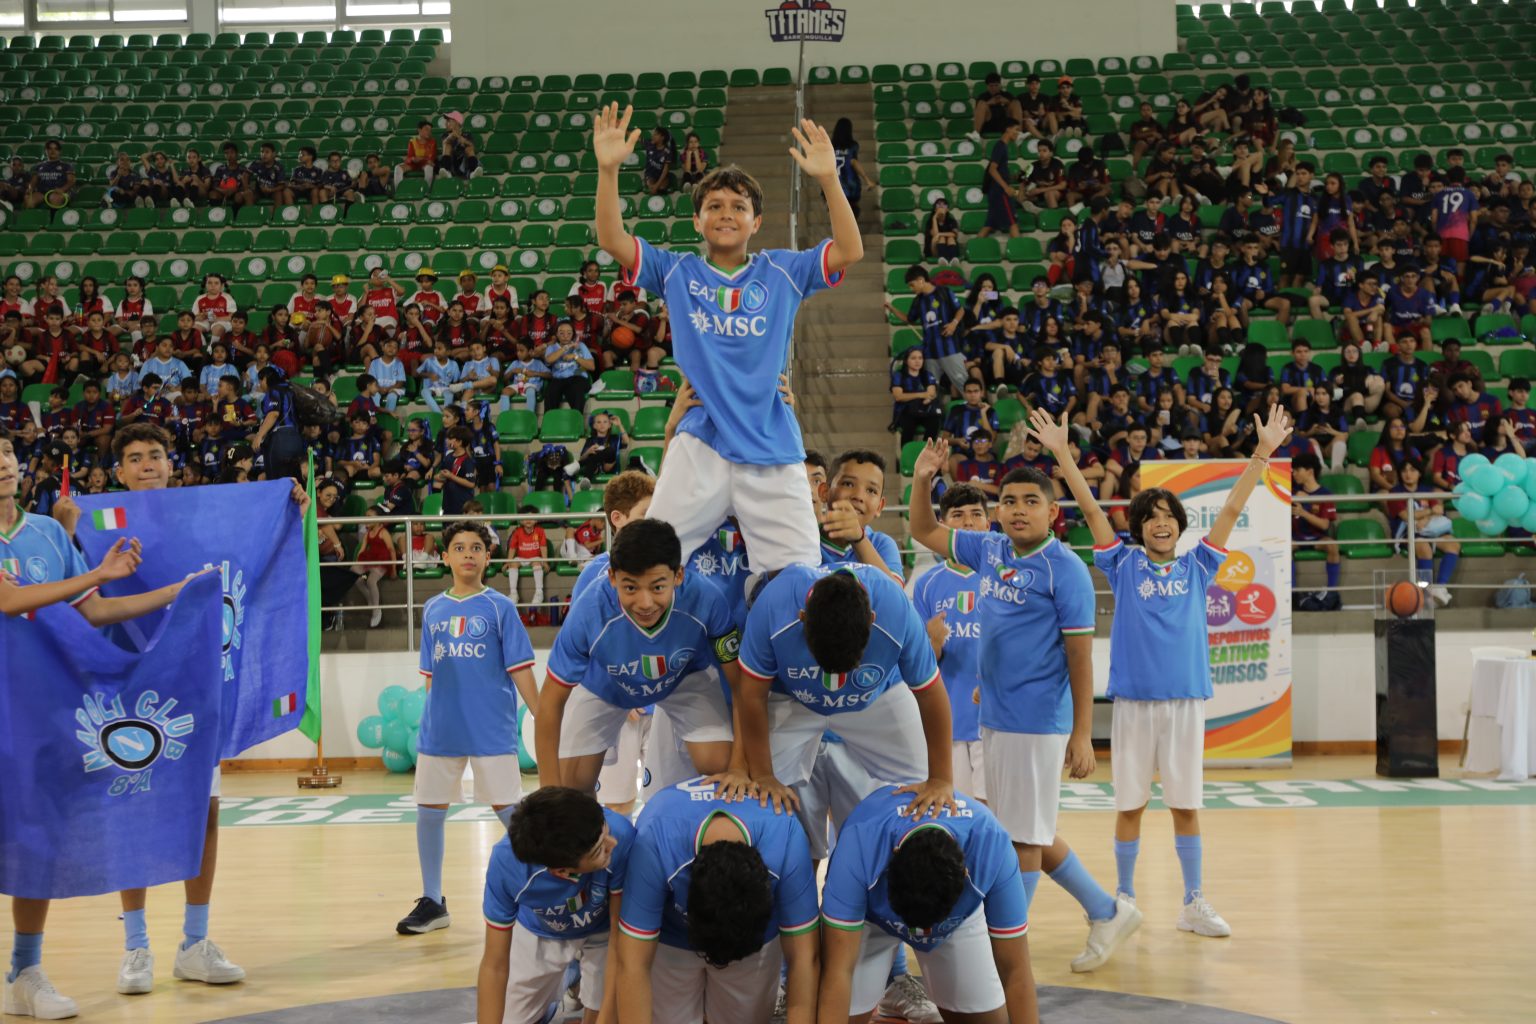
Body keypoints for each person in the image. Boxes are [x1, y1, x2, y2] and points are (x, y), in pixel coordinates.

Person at [1037, 403, 1290, 939]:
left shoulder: (1199, 565)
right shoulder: (1122, 563)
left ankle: (1193, 901)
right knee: (1130, 805)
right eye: (1151, 516)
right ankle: (1124, 898)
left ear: (1178, 524)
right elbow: (1092, 511)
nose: (1160, 522)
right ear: (1139, 526)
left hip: (1185, 703)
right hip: (1133, 703)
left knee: (1185, 805)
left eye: (1168, 515)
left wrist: (1263, 453)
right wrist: (1062, 454)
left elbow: (1230, 509)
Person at [596, 104, 861, 575]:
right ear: (697, 221)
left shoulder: (783, 270)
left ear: (756, 223)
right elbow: (613, 239)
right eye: (714, 206)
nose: (726, 213)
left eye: (739, 207)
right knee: (648, 560)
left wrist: (828, 178)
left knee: (799, 576)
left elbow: (849, 249)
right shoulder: (677, 270)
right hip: (701, 442)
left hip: (770, 443)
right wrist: (608, 170)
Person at [907, 440, 1140, 973]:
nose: (1017, 510)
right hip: (995, 715)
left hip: (1035, 722)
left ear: (1053, 512)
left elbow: (1080, 659)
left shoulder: (1066, 570)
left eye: (1031, 501)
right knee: (1023, 827)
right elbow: (922, 529)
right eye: (1009, 501)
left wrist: (1082, 734)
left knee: (1022, 840)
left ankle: (1003, 952)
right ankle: (1106, 911)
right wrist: (922, 479)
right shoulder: (990, 550)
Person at [0, 427, 208, 1020]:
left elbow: (91, 612)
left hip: (42, 706)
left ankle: (24, 971)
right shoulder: (55, 531)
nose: (3, 463)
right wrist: (97, 573)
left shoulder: (46, 532)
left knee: (35, 835)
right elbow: (10, 601)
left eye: (7, 452)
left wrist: (178, 592)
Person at [397, 519, 538, 937]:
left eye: (476, 547)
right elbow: (430, 676)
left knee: (511, 811)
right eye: (459, 548)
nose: (468, 554)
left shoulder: (500, 608)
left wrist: (544, 717)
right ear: (445, 557)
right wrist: (432, 718)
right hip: (440, 730)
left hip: (491, 728)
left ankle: (540, 887)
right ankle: (432, 900)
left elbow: (521, 669)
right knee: (429, 810)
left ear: (488, 557)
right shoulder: (433, 609)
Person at [535, 519, 740, 795]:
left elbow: (742, 685)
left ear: (678, 575)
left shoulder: (707, 599)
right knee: (570, 784)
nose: (645, 603)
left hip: (684, 677)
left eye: (657, 587)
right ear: (612, 577)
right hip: (606, 683)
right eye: (630, 588)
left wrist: (741, 766)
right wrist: (548, 793)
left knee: (721, 765)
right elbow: (550, 702)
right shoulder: (588, 611)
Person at [818, 786, 1038, 1024]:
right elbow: (838, 971)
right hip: (872, 917)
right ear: (892, 859)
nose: (921, 933)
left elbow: (1016, 971)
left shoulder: (992, 845)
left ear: (965, 873)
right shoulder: (858, 845)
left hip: (954, 922)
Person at [612, 777, 819, 1024]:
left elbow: (804, 958)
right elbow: (632, 964)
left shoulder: (786, 835)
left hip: (752, 941)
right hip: (672, 936)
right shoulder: (655, 839)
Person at [477, 787, 631, 1024]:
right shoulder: (507, 865)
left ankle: (579, 980)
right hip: (542, 929)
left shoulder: (620, 833)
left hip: (603, 931)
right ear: (561, 871)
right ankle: (568, 978)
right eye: (599, 850)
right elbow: (494, 964)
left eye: (605, 831)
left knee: (610, 1006)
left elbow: (620, 941)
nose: (612, 842)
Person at [912, 484, 991, 804]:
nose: (968, 522)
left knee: (996, 812)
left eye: (976, 514)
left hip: (996, 717)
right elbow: (920, 665)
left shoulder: (1003, 576)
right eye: (958, 515)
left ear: (989, 524)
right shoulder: (926, 584)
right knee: (956, 809)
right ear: (942, 525)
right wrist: (932, 641)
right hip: (949, 720)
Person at [977, 119, 1022, 240]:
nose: (1018, 133)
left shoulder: (1002, 146)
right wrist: (1006, 187)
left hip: (994, 191)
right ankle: (1019, 248)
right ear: (1008, 129)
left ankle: (974, 246)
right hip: (1000, 192)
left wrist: (1012, 177)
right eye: (1016, 129)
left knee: (988, 225)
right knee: (1012, 222)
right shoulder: (1000, 146)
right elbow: (992, 169)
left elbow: (998, 170)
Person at [889, 346, 942, 445]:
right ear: (906, 361)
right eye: (913, 358)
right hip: (905, 410)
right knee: (908, 426)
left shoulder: (927, 375)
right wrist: (922, 395)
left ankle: (927, 449)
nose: (917, 361)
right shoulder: (899, 375)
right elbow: (899, 397)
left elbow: (931, 394)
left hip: (925, 409)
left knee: (934, 422)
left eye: (920, 358)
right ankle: (906, 451)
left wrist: (922, 397)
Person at [830, 117, 875, 220]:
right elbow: (854, 162)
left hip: (835, 185)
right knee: (851, 212)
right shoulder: (852, 146)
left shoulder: (830, 146)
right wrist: (867, 180)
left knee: (837, 213)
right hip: (851, 184)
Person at [396, 120, 438, 188]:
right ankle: (398, 189)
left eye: (430, 130)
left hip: (425, 164)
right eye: (426, 129)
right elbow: (409, 157)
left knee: (429, 168)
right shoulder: (412, 141)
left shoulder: (432, 142)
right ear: (419, 130)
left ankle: (426, 190)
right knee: (398, 168)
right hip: (413, 164)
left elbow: (431, 158)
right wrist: (413, 159)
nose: (429, 132)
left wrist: (421, 159)